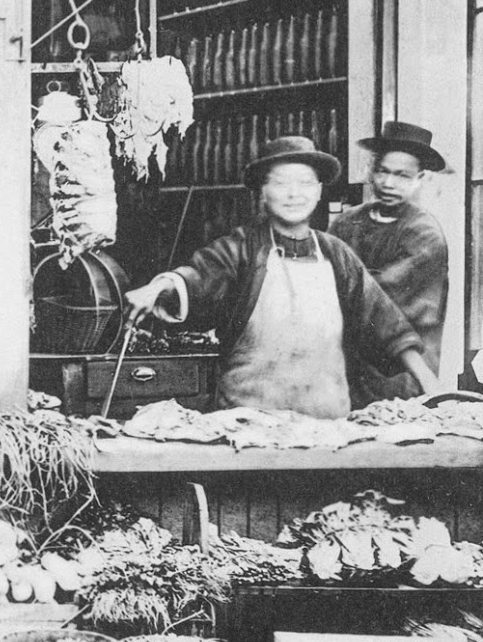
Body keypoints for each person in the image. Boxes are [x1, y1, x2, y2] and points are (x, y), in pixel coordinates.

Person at [124, 135, 439, 419]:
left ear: (319, 191)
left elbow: (384, 322)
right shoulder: (242, 248)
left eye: (305, 183)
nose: (293, 194)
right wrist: (159, 286)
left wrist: (429, 384)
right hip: (248, 421)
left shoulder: (336, 253)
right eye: (280, 183)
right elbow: (199, 274)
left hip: (327, 424)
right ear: (262, 192)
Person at [330, 121, 450, 402]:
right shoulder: (347, 222)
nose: (388, 183)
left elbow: (379, 296)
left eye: (402, 175)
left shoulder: (424, 234)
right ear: (371, 171)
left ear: (420, 178)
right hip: (344, 366)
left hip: (398, 372)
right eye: (382, 171)